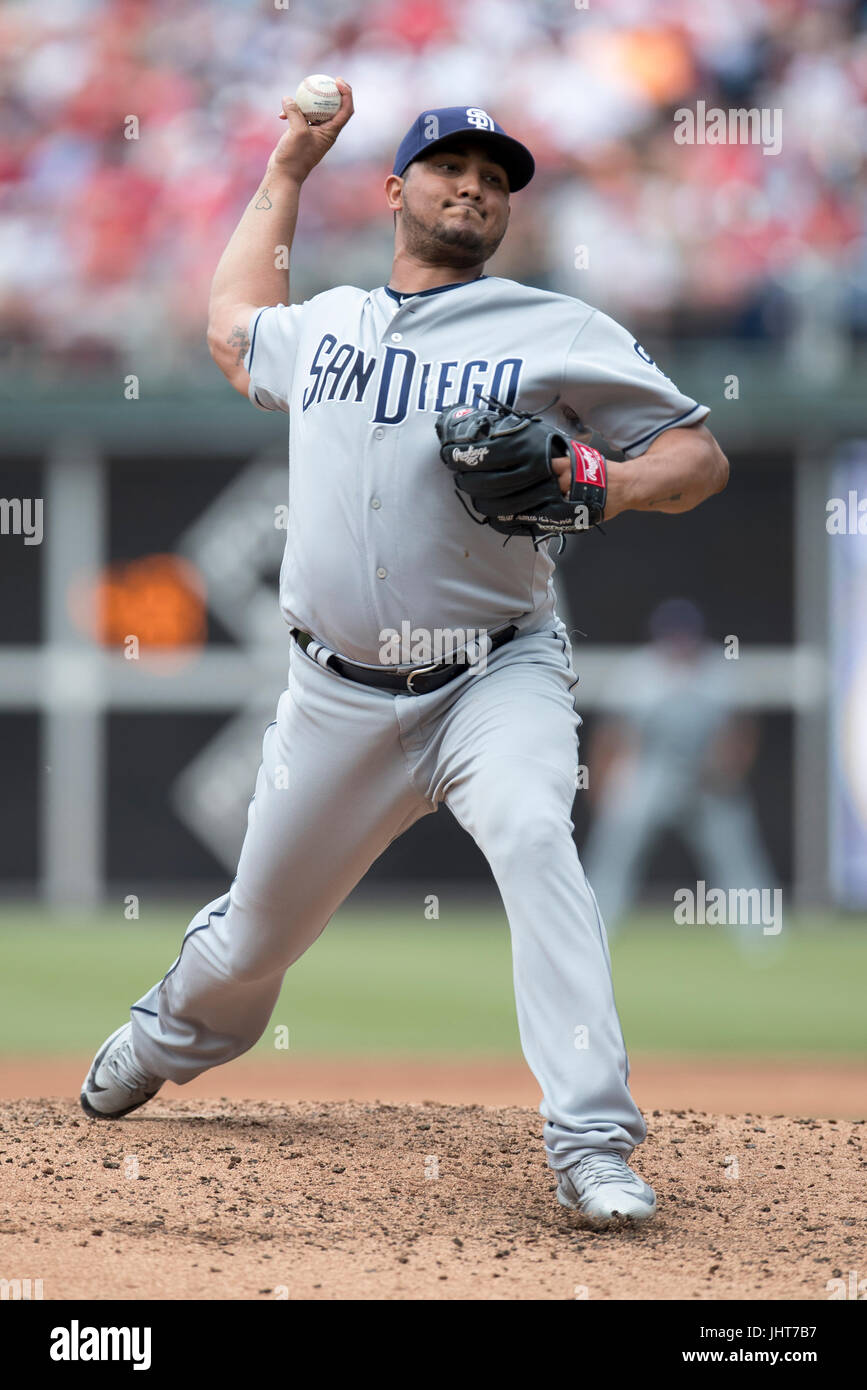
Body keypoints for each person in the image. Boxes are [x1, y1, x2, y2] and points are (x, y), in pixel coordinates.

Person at [80, 85, 728, 1225]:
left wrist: (607, 484)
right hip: (333, 696)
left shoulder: (552, 327)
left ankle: (591, 1142)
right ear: (396, 190)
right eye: (449, 166)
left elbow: (699, 457)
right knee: (251, 939)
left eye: (495, 175)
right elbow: (233, 323)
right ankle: (166, 1034)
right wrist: (284, 170)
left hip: (496, 674)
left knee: (536, 835)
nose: (474, 185)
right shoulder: (327, 323)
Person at [583, 598, 777, 946]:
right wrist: (603, 785)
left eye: (685, 637)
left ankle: (759, 931)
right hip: (652, 770)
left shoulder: (719, 670)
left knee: (734, 845)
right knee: (617, 844)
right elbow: (611, 735)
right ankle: (594, 924)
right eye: (672, 637)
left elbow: (742, 730)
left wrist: (728, 769)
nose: (679, 644)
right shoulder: (638, 673)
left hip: (706, 775)